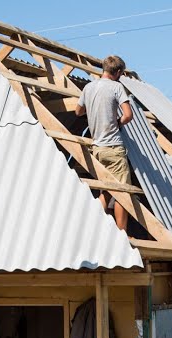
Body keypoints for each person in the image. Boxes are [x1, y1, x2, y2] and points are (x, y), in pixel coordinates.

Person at [75, 54, 135, 231]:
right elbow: (128, 115)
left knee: (106, 191)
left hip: (98, 149)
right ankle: (122, 235)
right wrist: (117, 122)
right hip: (114, 147)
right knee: (122, 193)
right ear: (117, 72)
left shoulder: (88, 87)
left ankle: (98, 229)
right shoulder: (116, 88)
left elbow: (78, 111)